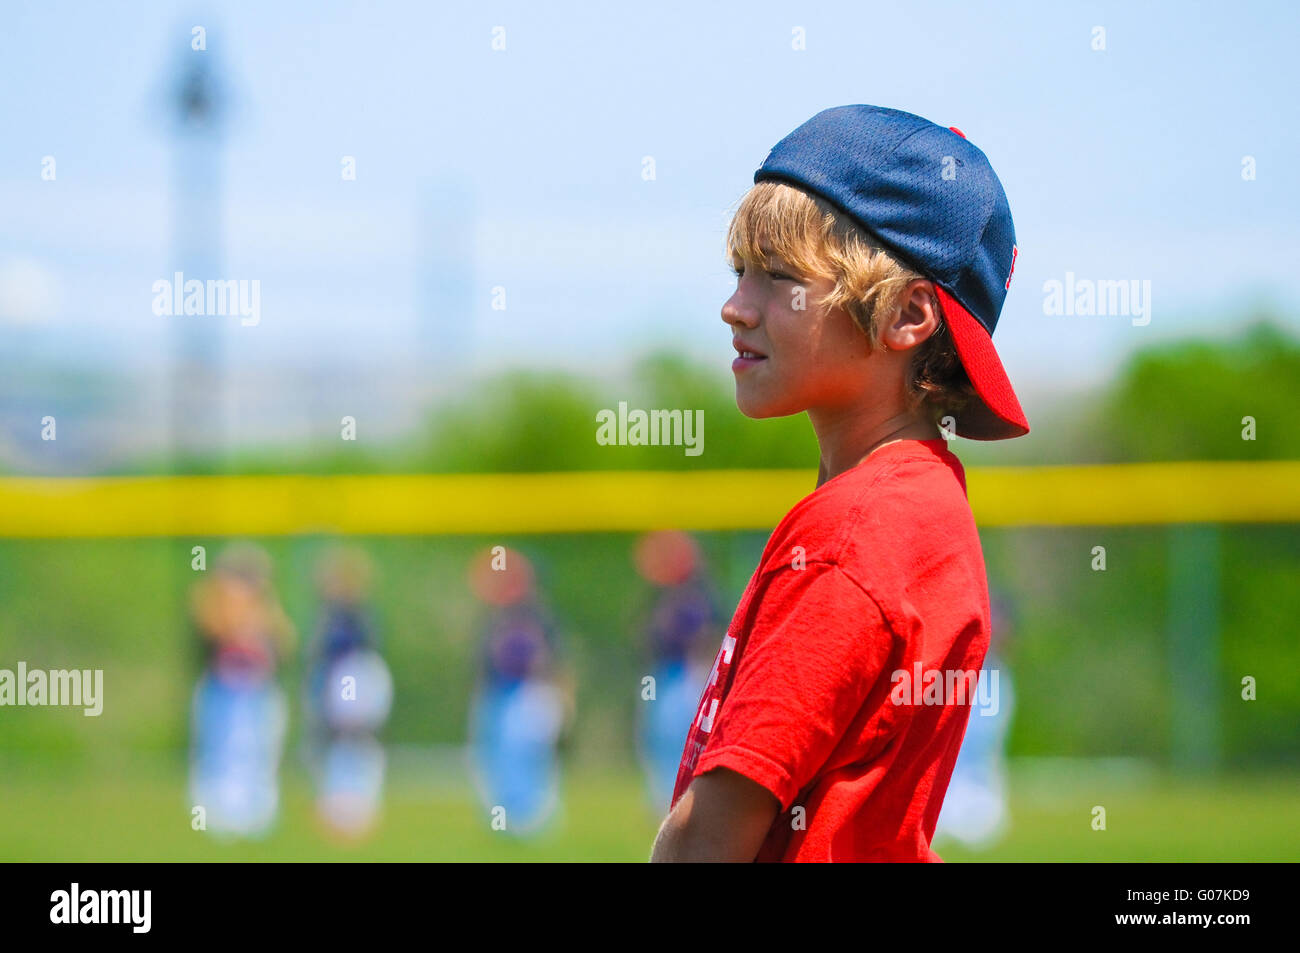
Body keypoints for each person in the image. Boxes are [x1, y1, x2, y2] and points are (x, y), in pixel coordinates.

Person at [651, 105, 1029, 862]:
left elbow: (712, 837)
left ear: (908, 315)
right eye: (740, 271)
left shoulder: (852, 535)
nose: (735, 307)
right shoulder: (924, 504)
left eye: (780, 279)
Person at [188, 542, 295, 839]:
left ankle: (255, 815)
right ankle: (219, 815)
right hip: (222, 693)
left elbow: (285, 645)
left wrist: (260, 610)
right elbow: (213, 630)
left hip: (257, 694)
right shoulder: (211, 604)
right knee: (220, 751)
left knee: (257, 751)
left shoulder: (266, 613)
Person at [466, 548, 573, 836]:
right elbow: (484, 665)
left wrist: (561, 698)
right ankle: (506, 821)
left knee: (530, 755)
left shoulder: (539, 618)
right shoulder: (495, 620)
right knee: (500, 760)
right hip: (500, 695)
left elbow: (555, 661)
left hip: (530, 693)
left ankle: (535, 819)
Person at [304, 545, 393, 840]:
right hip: (335, 681)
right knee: (334, 743)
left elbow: (357, 659)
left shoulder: (355, 619)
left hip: (350, 679)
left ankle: (355, 807)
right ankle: (337, 806)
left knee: (352, 739)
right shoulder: (327, 614)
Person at [632, 531, 722, 810]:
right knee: (659, 739)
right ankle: (665, 802)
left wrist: (704, 674)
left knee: (685, 739)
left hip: (689, 674)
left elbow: (712, 636)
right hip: (665, 675)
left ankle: (687, 801)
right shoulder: (662, 597)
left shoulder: (700, 594)